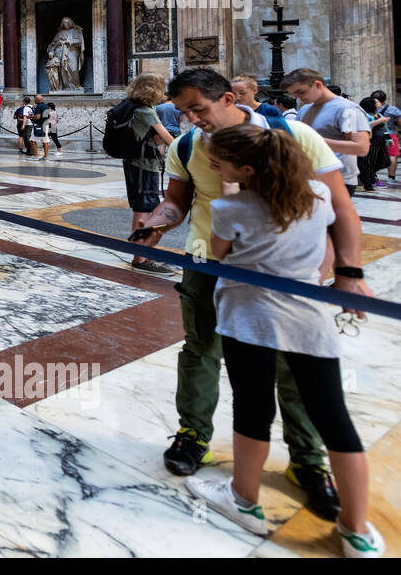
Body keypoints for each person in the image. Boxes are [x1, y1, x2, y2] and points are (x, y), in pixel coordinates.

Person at [130, 68, 370, 520]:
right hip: (207, 263)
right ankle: (194, 433)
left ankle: (308, 461)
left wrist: (348, 271)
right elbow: (178, 201)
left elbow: (339, 206)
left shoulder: (291, 135)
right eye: (183, 112)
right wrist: (157, 223)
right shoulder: (187, 146)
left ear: (226, 98)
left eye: (197, 109)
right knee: (201, 349)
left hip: (284, 274)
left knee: (292, 367)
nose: (191, 119)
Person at [186, 123, 383, 557]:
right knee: (334, 420)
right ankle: (357, 532)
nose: (214, 167)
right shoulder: (318, 197)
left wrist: (230, 194)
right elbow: (328, 241)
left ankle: (244, 501)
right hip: (307, 319)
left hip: (247, 318)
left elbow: (221, 254)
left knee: (253, 408)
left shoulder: (230, 206)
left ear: (246, 169)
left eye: (219, 163)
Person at [281, 68, 370, 197]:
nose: (298, 97)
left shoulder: (347, 109)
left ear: (317, 85)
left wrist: (314, 140)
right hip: (307, 175)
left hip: (338, 178)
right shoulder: (305, 109)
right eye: (294, 94)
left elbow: (361, 148)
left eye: (300, 92)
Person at [120, 74, 177, 274]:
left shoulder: (129, 106)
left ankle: (141, 255)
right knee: (143, 210)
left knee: (141, 208)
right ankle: (140, 258)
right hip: (144, 165)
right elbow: (170, 139)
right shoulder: (145, 111)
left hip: (133, 163)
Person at [369, 90, 401, 185]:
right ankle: (391, 178)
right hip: (390, 134)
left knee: (373, 156)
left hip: (373, 135)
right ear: (385, 98)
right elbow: (400, 123)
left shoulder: (368, 108)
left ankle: (373, 176)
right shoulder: (393, 109)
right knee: (392, 155)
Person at [30, 93, 51, 159]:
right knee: (45, 141)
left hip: (38, 125)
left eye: (34, 99)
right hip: (46, 125)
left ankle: (35, 155)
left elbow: (38, 117)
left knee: (33, 141)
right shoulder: (46, 106)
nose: (34, 100)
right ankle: (46, 156)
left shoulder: (38, 106)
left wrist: (31, 117)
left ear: (37, 99)